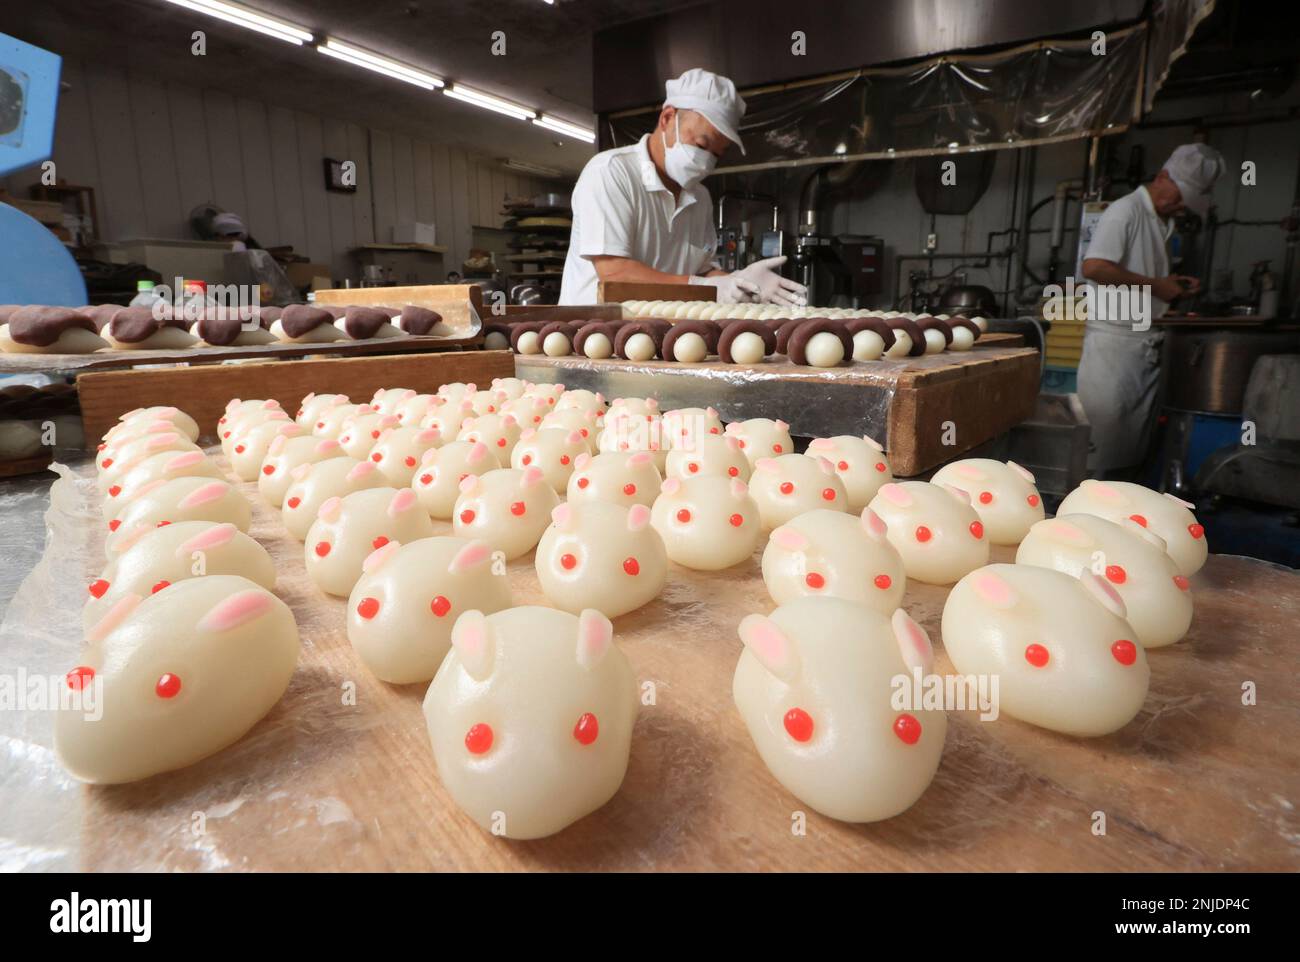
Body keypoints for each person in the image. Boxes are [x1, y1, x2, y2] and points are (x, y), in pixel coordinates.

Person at [560, 68, 806, 307]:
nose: (706, 161)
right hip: (592, 329)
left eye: (716, 154)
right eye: (701, 144)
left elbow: (703, 271)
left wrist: (740, 282)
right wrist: (704, 287)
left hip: (659, 329)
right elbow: (615, 274)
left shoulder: (700, 197)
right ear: (667, 118)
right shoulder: (611, 173)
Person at [1077, 142, 1225, 478]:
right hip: (1113, 353)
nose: (1180, 206)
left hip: (1143, 347)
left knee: (1129, 453)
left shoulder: (1160, 221)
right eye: (1179, 196)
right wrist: (1157, 286)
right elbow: (1094, 267)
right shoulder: (1125, 211)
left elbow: (1138, 276)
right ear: (1162, 176)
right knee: (1102, 456)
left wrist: (1170, 287)